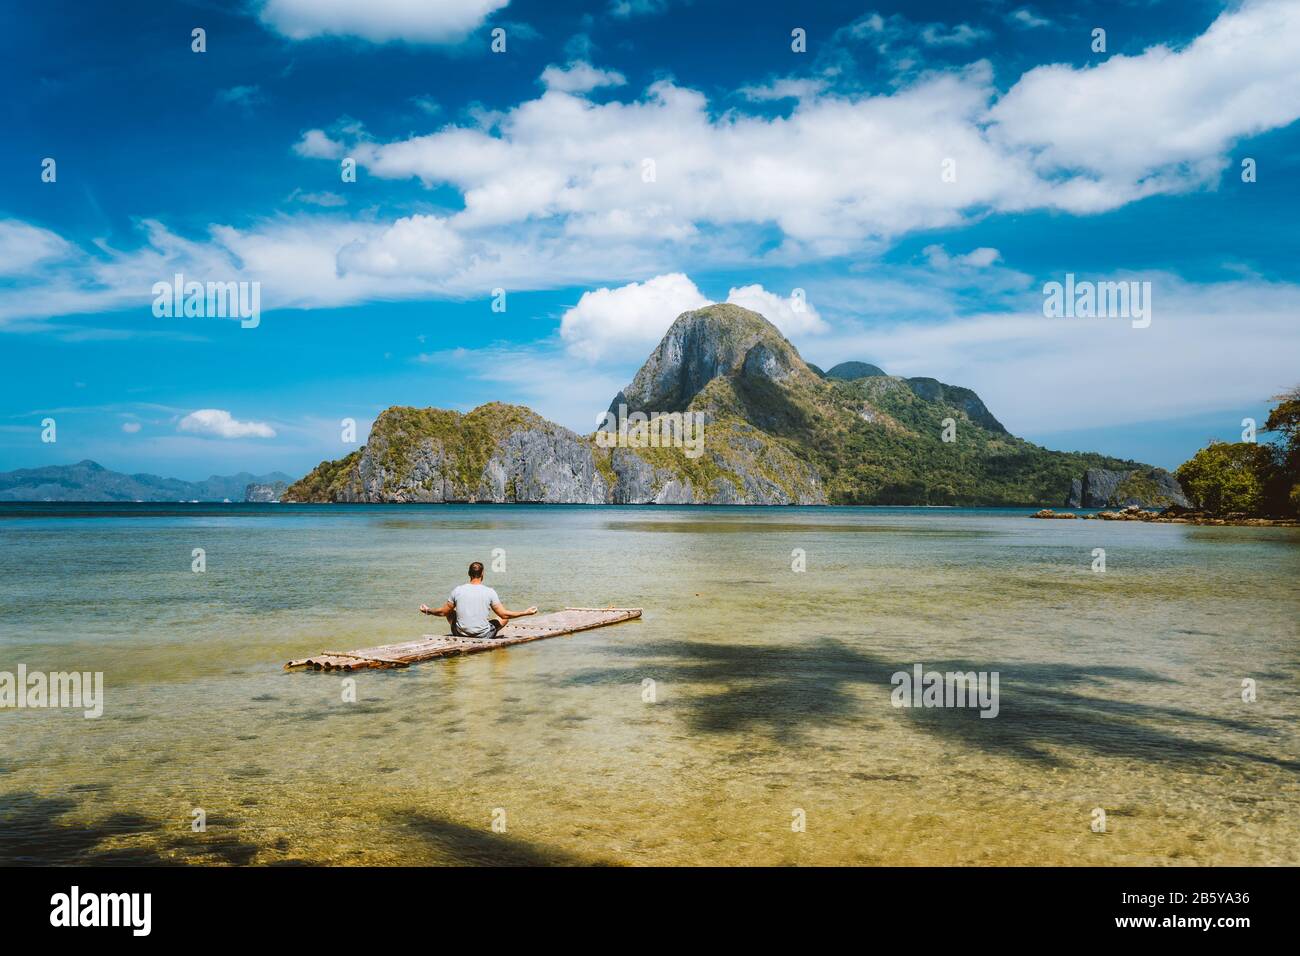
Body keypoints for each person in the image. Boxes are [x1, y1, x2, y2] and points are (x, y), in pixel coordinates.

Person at [420, 561, 537, 640]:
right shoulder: (489, 591)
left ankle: (466, 627)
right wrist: (525, 612)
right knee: (503, 618)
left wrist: (428, 610)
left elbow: (443, 612)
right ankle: (480, 627)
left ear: (469, 574)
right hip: (483, 635)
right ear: (482, 574)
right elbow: (503, 614)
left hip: (460, 633)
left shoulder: (458, 590)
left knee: (449, 611)